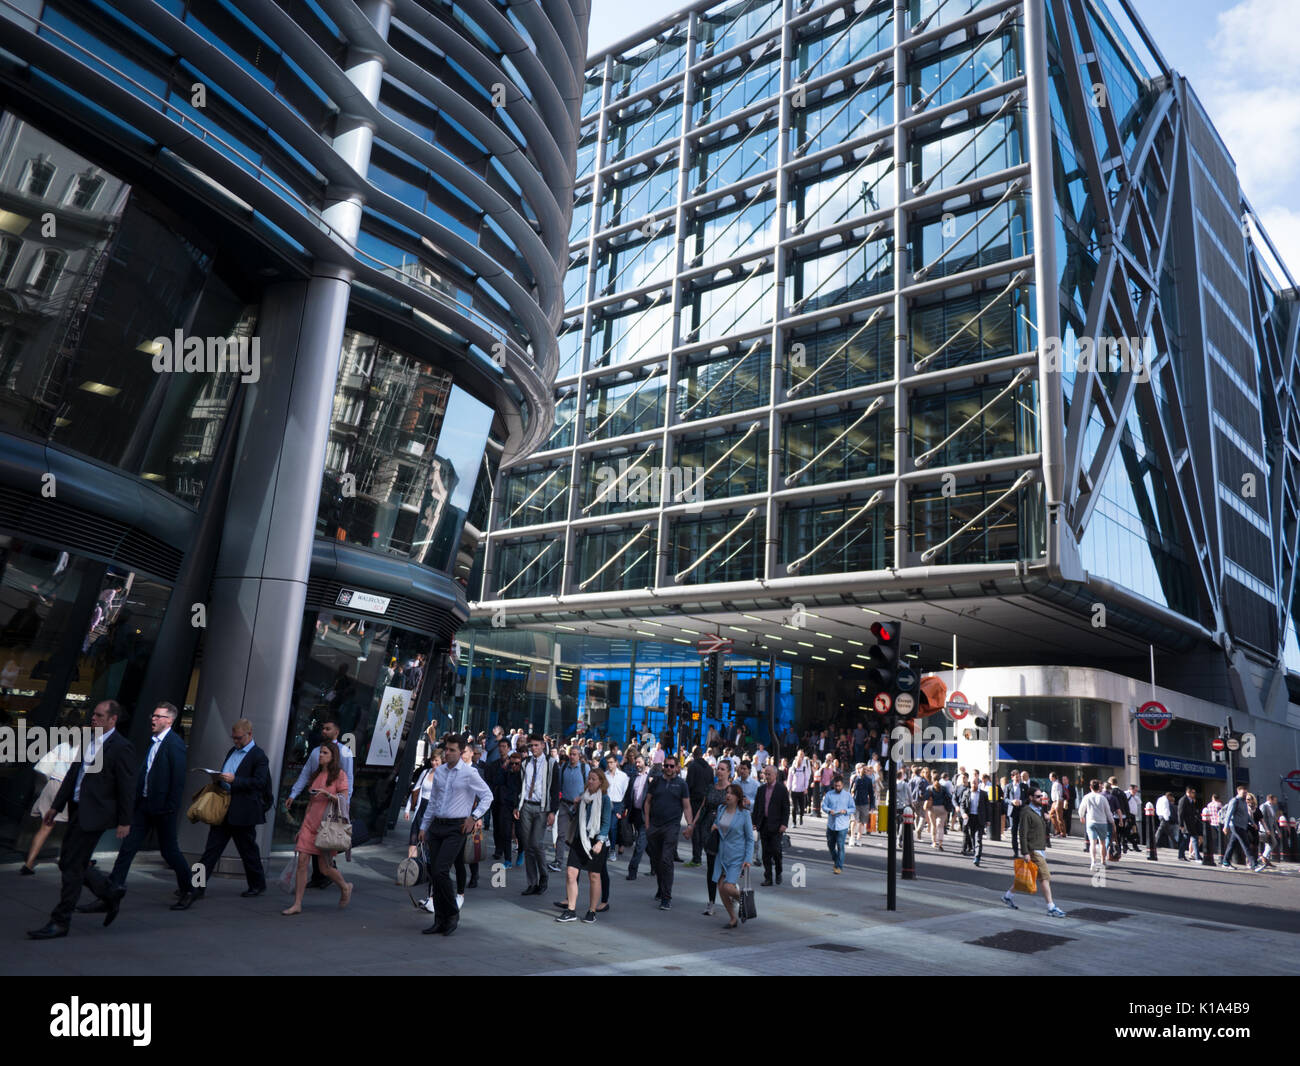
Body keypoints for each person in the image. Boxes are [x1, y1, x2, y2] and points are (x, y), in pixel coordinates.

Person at [27, 700, 136, 940]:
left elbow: (127, 787)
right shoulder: (88, 741)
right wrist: (55, 806)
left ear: (112, 719)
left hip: (96, 814)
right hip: (77, 809)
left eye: (98, 716)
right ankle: (109, 892)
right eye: (93, 715)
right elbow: (72, 775)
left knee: (71, 866)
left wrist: (125, 821)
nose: (93, 719)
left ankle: (60, 920)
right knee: (69, 862)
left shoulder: (121, 747)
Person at [78, 702, 190, 916]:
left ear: (169, 720)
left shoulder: (174, 744)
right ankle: (110, 893)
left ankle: (189, 888)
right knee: (127, 849)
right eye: (153, 715)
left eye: (158, 716)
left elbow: (178, 780)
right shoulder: (155, 742)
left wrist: (170, 807)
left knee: (170, 851)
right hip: (144, 806)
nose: (153, 719)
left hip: (163, 808)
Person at [179, 718, 271, 909]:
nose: (236, 741)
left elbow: (260, 783)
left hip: (243, 811)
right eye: (234, 738)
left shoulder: (258, 756)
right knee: (210, 851)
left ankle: (257, 884)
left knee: (248, 851)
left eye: (239, 738)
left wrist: (235, 780)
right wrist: (218, 778)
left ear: (249, 734)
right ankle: (196, 887)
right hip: (224, 808)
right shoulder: (233, 751)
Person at [418, 735, 493, 935]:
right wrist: (424, 827)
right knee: (435, 872)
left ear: (461, 752)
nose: (448, 753)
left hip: (456, 827)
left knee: (441, 870)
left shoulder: (469, 773)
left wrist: (474, 817)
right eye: (446, 750)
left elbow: (487, 796)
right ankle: (440, 919)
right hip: (436, 826)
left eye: (452, 750)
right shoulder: (440, 771)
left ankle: (452, 913)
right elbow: (433, 801)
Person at [282, 740, 351, 914]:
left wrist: (328, 794)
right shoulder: (315, 775)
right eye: (320, 752)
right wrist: (302, 826)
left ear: (333, 756)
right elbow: (311, 804)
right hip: (309, 824)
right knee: (302, 862)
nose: (320, 755)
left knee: (325, 868)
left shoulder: (340, 775)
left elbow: (344, 801)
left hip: (327, 827)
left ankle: (345, 886)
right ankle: (297, 903)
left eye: (325, 753)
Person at [286, 716, 355, 888]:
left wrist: (344, 805)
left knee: (324, 844)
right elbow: (305, 774)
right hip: (315, 808)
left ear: (337, 732)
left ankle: (329, 878)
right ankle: (315, 882)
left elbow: (348, 781)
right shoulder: (316, 752)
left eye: (328, 728)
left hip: (331, 808)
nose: (324, 731)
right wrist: (294, 794)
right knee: (310, 849)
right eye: (323, 728)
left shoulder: (345, 753)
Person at [20, 722, 78, 875]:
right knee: (73, 828)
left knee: (45, 827)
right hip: (68, 790)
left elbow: (43, 767)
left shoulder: (61, 746)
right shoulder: (85, 752)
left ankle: (29, 863)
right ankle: (71, 860)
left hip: (51, 785)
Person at [555, 769, 611, 923]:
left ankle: (592, 911)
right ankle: (571, 910)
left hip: (596, 841)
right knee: (571, 873)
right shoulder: (583, 796)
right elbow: (577, 819)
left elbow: (606, 823)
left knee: (594, 876)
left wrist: (600, 842)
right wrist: (575, 806)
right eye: (589, 779)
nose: (590, 781)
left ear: (601, 782)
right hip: (580, 839)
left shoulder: (605, 799)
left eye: (594, 779)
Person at [1002, 788, 1067, 918]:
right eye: (1038, 797)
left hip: (1040, 848)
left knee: (1026, 876)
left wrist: (1046, 818)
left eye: (1041, 796)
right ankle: (1051, 907)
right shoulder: (1026, 812)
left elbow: (1040, 827)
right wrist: (1025, 852)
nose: (1040, 798)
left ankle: (1007, 896)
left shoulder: (1039, 811)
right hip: (1033, 849)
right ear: (1031, 797)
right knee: (1045, 877)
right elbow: (1022, 833)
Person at [643, 753, 692, 911]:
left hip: (671, 827)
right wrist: (647, 823)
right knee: (657, 861)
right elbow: (648, 802)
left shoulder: (682, 784)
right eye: (666, 765)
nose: (669, 768)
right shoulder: (656, 781)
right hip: (655, 826)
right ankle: (661, 888)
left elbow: (687, 806)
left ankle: (666, 897)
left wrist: (690, 825)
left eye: (672, 766)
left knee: (666, 860)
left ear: (677, 767)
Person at [515, 734, 559, 897]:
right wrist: (517, 805)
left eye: (536, 745)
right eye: (531, 746)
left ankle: (544, 876)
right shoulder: (526, 763)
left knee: (536, 844)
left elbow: (555, 789)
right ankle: (532, 882)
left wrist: (553, 811)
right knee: (527, 846)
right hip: (526, 805)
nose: (533, 748)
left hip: (542, 808)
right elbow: (520, 785)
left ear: (542, 746)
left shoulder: (551, 763)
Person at [691, 759, 732, 916]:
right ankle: (711, 902)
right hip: (708, 830)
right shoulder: (710, 788)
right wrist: (692, 825)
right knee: (711, 868)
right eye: (718, 769)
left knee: (725, 869)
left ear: (728, 772)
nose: (719, 771)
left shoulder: (731, 790)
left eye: (722, 769)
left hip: (725, 831)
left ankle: (730, 898)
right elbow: (702, 808)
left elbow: (735, 810)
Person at [712, 783, 754, 929]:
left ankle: (744, 901)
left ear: (737, 797)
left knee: (728, 887)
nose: (728, 795)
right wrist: (715, 826)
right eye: (727, 792)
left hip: (737, 856)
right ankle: (732, 918)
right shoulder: (721, 809)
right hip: (721, 855)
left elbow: (750, 839)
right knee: (721, 887)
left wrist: (748, 859)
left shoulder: (744, 814)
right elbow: (719, 824)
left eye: (731, 793)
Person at [752, 763, 790, 885]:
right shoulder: (761, 789)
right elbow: (757, 807)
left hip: (777, 826)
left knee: (776, 851)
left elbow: (786, 808)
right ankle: (768, 877)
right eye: (765, 774)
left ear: (775, 775)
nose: (766, 776)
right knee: (765, 853)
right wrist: (754, 822)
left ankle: (778, 872)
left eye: (769, 774)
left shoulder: (782, 789)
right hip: (763, 824)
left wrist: (784, 824)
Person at [1219, 784, 1264, 872]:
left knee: (1232, 844)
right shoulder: (1234, 801)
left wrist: (1253, 823)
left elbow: (1246, 814)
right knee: (1246, 844)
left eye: (1246, 793)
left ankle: (1225, 862)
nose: (1245, 795)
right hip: (1236, 826)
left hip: (1242, 826)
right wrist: (1226, 826)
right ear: (1238, 791)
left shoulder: (1243, 802)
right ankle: (1254, 864)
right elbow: (1229, 814)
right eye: (1243, 793)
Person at [684, 746, 713, 867]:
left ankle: (697, 858)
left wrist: (685, 799)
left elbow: (688, 784)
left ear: (694, 755)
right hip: (706, 800)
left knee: (695, 828)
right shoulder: (709, 768)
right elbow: (711, 784)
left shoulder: (693, 766)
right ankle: (707, 854)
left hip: (695, 800)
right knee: (704, 829)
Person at [1077, 779, 1114, 872]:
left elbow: (1081, 809)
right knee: (1102, 843)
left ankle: (1093, 862)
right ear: (1100, 787)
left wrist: (1081, 816)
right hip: (1102, 822)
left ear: (1090, 787)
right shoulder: (1103, 798)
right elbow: (1108, 812)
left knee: (1092, 843)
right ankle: (1103, 862)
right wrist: (1112, 822)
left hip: (1090, 822)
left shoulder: (1087, 797)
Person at [625, 755, 650, 880]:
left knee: (640, 843)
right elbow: (629, 795)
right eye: (636, 763)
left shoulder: (652, 778)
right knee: (647, 845)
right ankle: (655, 867)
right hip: (635, 813)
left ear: (645, 762)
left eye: (639, 762)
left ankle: (632, 870)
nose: (637, 764)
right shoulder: (633, 777)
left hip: (646, 816)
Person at [821, 774, 853, 873]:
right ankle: (836, 860)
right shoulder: (829, 794)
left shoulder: (847, 795)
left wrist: (846, 811)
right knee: (830, 845)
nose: (837, 787)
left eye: (839, 786)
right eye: (835, 786)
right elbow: (824, 806)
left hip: (842, 825)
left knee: (840, 846)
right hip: (831, 824)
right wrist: (829, 810)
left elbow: (853, 808)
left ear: (842, 785)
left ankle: (839, 867)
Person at [850, 762, 875, 845]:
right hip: (855, 802)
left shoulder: (869, 780)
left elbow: (871, 793)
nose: (865, 771)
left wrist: (872, 805)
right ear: (859, 769)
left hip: (864, 803)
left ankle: (859, 839)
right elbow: (850, 791)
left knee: (862, 822)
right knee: (854, 820)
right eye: (863, 769)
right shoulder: (855, 778)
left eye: (866, 769)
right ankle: (852, 837)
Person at [928, 773, 953, 851]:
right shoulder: (944, 788)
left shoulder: (929, 788)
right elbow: (950, 796)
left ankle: (934, 842)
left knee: (933, 825)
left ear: (932, 779)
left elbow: (925, 797)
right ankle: (940, 843)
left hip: (932, 808)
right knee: (941, 826)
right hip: (942, 808)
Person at [1176, 786, 1201, 862]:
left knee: (1195, 839)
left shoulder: (1191, 800)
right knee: (1185, 840)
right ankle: (1181, 855)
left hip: (1192, 824)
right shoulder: (1183, 800)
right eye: (1193, 792)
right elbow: (1180, 813)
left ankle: (1197, 856)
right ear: (1188, 792)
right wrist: (1181, 825)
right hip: (1186, 824)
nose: (1194, 794)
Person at [788, 751, 810, 825]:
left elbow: (806, 779)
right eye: (797, 761)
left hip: (801, 790)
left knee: (802, 806)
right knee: (794, 807)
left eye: (800, 761)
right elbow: (789, 779)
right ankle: (794, 822)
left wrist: (806, 788)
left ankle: (801, 817)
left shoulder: (804, 768)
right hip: (794, 790)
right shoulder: (792, 769)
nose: (798, 762)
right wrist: (788, 787)